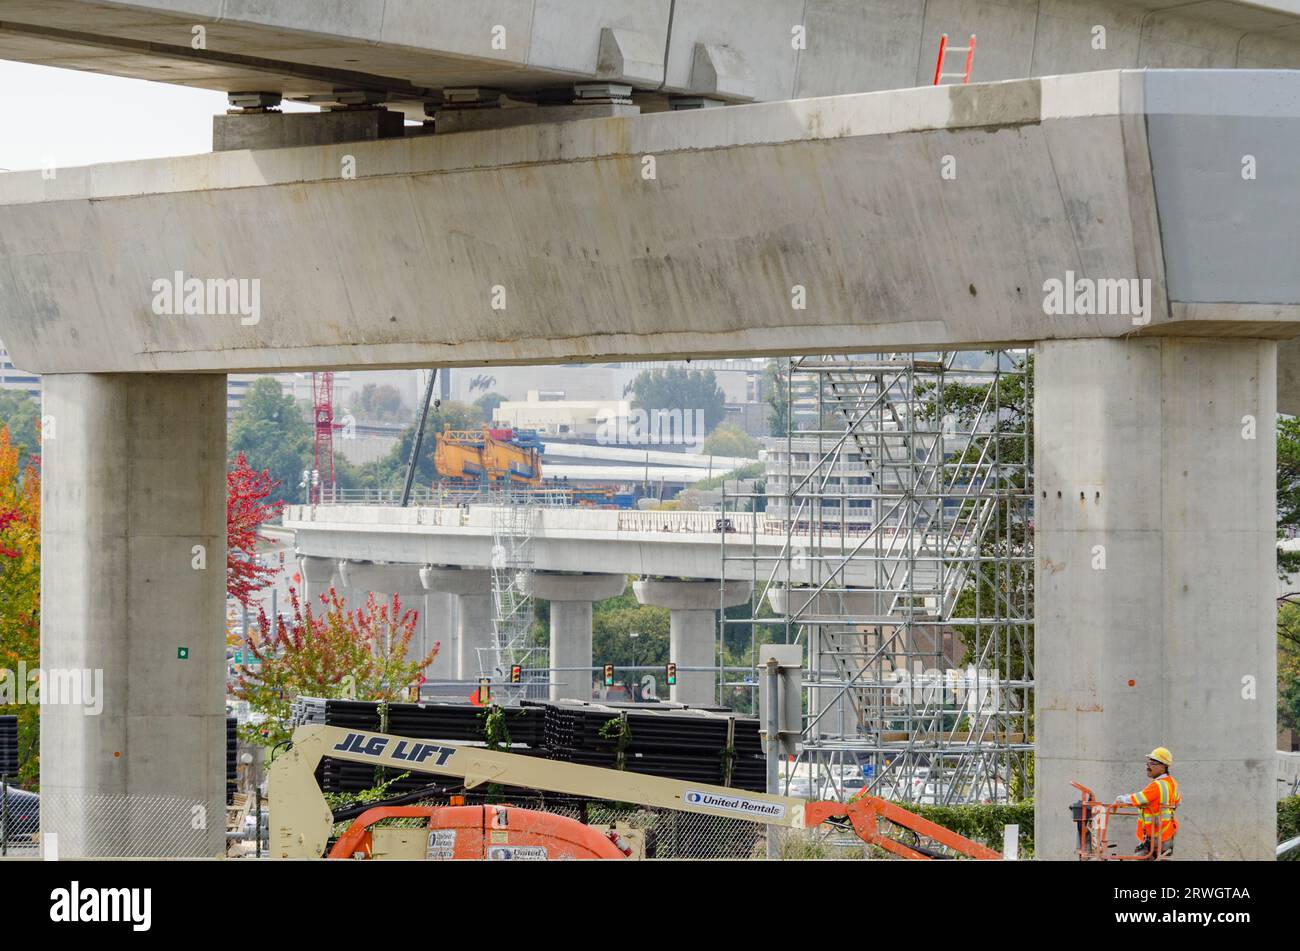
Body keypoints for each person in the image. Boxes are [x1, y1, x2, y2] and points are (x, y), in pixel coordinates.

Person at [1114, 746, 1180, 859]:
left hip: (1155, 837)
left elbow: (1137, 799)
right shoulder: (1171, 783)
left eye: (1152, 763)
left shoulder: (1157, 785)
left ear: (1163, 767)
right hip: (1166, 834)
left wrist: (1119, 799)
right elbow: (1178, 802)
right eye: (1148, 762)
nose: (1148, 766)